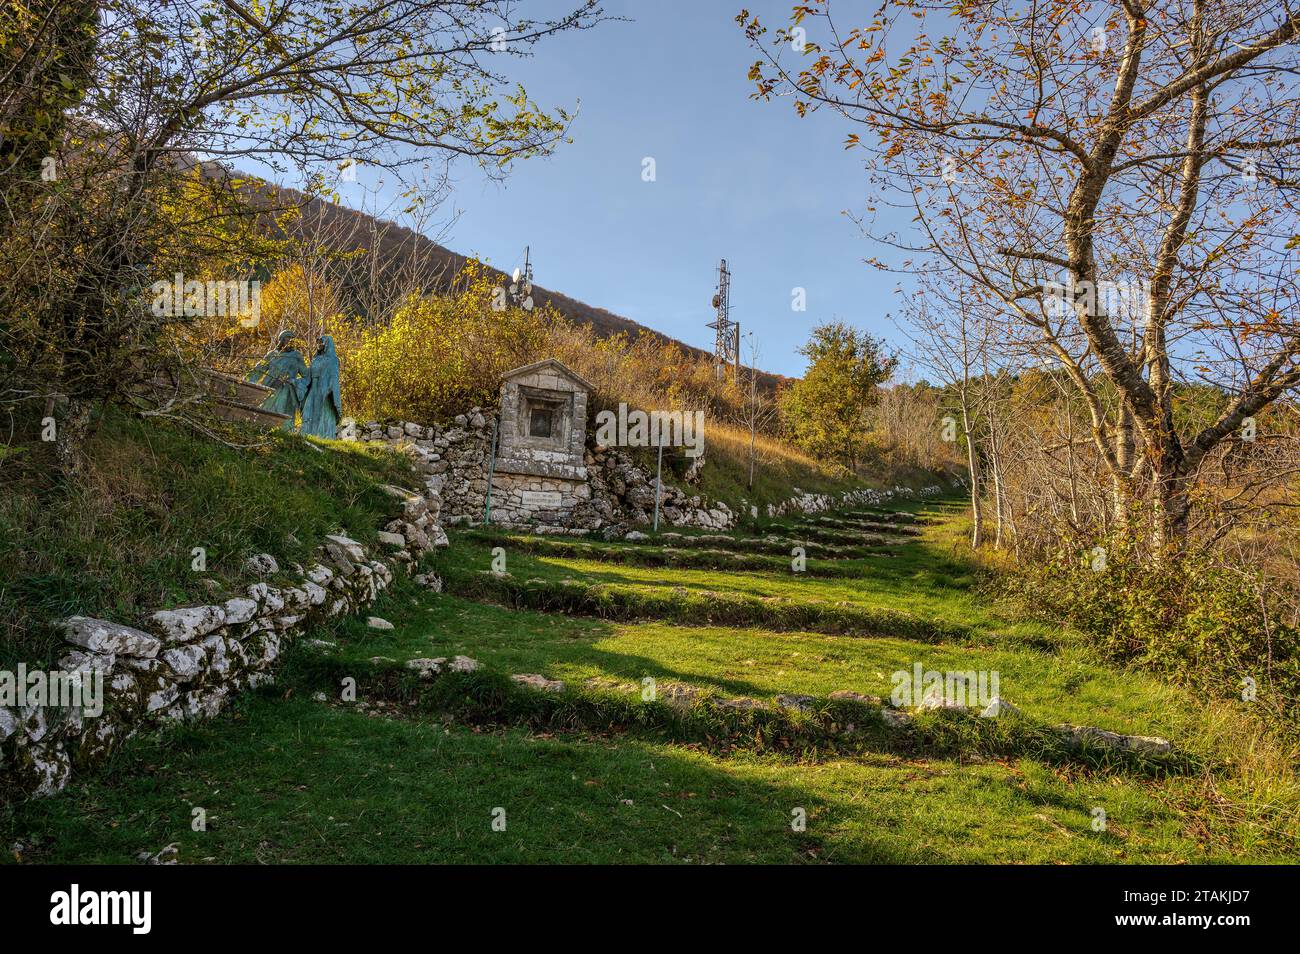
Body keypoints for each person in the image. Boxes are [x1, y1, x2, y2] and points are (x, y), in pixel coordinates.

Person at [247, 330, 308, 430]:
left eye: (292, 340)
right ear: (281, 340)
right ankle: (262, 430)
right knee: (265, 413)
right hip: (270, 387)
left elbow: (306, 376)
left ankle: (284, 433)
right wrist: (245, 382)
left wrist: (294, 381)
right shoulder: (272, 355)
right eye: (288, 338)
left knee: (283, 419)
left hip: (287, 391)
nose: (290, 341)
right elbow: (257, 370)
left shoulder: (296, 356)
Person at [301, 334, 342, 439]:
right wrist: (296, 382)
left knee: (322, 413)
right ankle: (307, 435)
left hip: (325, 391)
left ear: (327, 344)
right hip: (313, 389)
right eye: (317, 342)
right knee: (308, 411)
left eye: (321, 342)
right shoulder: (315, 360)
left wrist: (329, 389)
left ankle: (323, 436)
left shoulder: (333, 359)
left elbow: (334, 377)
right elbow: (307, 377)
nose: (318, 344)